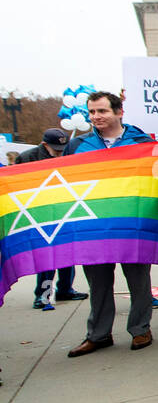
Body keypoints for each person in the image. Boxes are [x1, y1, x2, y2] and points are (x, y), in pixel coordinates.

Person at [64, 93, 157, 356]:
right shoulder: (78, 145)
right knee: (98, 283)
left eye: (102, 111)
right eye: (92, 112)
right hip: (92, 226)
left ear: (119, 112)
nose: (96, 117)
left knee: (138, 280)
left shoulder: (141, 142)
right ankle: (98, 334)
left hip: (131, 224)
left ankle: (140, 329)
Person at [19, 129, 87, 309]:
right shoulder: (27, 158)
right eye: (56, 150)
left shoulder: (70, 155)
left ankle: (65, 289)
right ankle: (43, 294)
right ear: (44, 145)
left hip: (65, 209)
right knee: (47, 256)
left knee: (68, 253)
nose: (60, 153)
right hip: (41, 213)